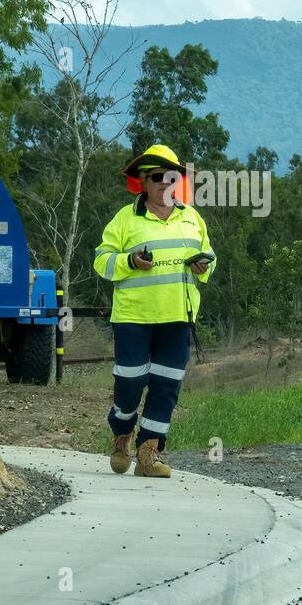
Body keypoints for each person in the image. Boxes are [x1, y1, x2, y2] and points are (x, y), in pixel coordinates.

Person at [93, 144, 215, 477]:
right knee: (130, 381)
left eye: (171, 176)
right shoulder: (124, 219)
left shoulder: (192, 218)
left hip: (178, 317)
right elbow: (102, 261)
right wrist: (130, 262)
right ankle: (121, 433)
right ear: (144, 182)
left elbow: (208, 256)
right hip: (133, 318)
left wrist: (204, 266)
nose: (165, 183)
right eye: (157, 177)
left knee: (166, 387)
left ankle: (149, 453)